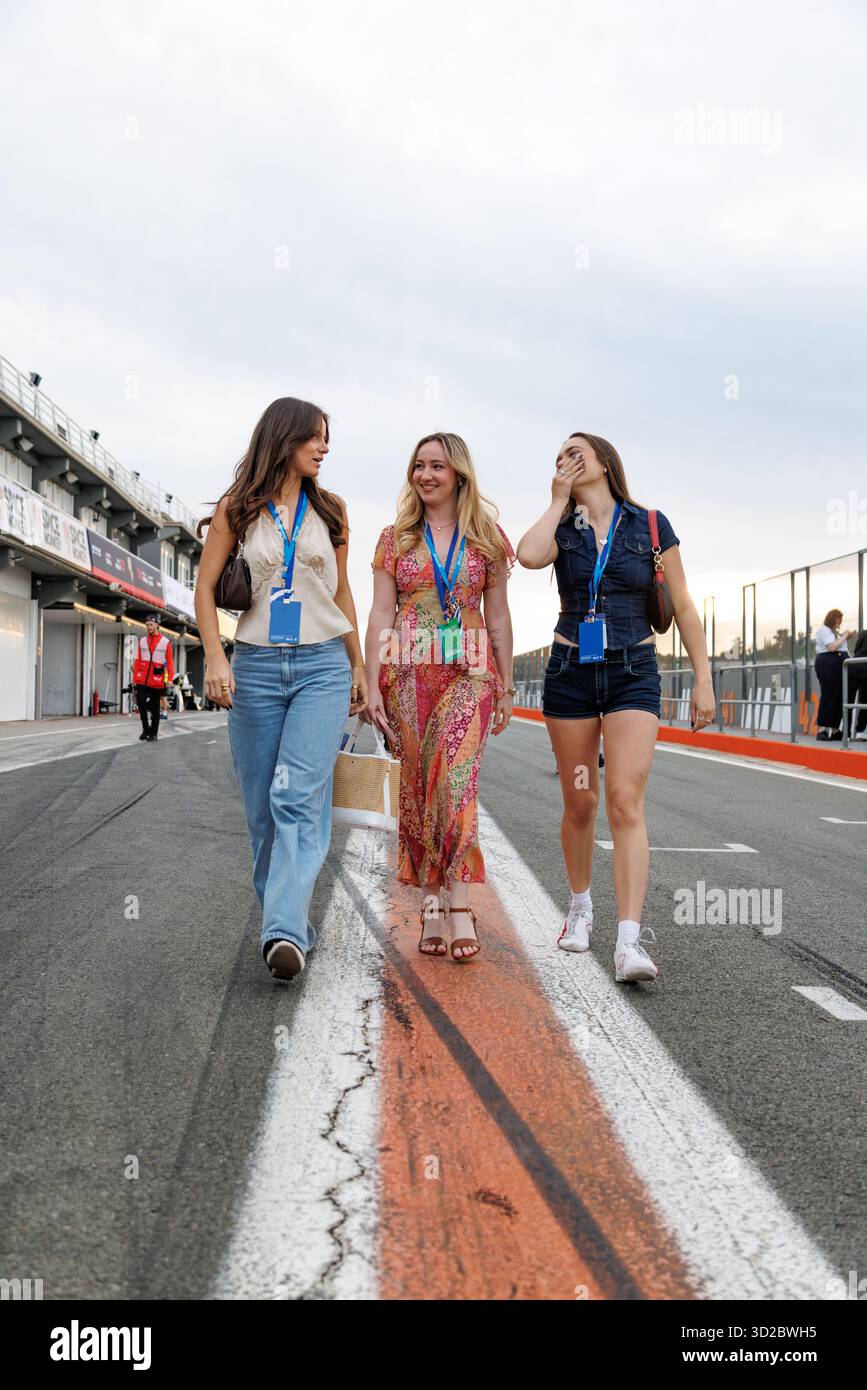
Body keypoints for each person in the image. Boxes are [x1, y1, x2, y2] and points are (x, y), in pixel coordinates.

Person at [516, 432, 714, 984]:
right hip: (571, 673)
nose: (567, 459)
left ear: (604, 461)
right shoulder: (561, 526)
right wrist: (558, 498)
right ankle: (580, 908)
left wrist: (703, 680)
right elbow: (527, 556)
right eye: (559, 455)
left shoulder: (650, 524)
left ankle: (629, 941)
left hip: (633, 671)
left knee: (625, 800)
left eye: (576, 451)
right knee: (581, 800)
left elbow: (683, 604)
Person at [194, 397, 367, 980]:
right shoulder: (238, 508)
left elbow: (342, 593)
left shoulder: (333, 512)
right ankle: (290, 924)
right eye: (314, 437)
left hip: (322, 667)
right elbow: (204, 589)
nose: (324, 448)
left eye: (326, 438)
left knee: (295, 798)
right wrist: (215, 658)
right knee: (262, 811)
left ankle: (283, 932)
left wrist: (359, 666)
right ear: (284, 439)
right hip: (256, 667)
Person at [364, 432, 515, 962]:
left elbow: (498, 614)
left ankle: (460, 905)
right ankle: (430, 905)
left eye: (437, 467)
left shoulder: (487, 540)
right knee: (418, 790)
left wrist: (505, 681)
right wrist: (371, 682)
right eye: (419, 466)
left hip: (470, 671)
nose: (425, 476)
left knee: (455, 780)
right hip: (407, 671)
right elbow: (380, 612)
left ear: (459, 475)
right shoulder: (395, 539)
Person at [132, 613, 174, 741]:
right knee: (140, 701)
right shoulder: (142, 641)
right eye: (147, 625)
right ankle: (146, 728)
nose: (149, 627)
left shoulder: (165, 642)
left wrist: (170, 679)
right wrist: (135, 677)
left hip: (157, 679)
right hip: (143, 678)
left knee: (155, 706)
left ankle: (154, 733)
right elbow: (138, 660)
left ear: (157, 625)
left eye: (151, 625)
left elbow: (170, 662)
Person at [814, 609, 853, 741]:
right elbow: (832, 647)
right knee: (829, 694)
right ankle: (823, 729)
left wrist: (844, 637)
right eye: (838, 620)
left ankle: (835, 729)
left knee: (838, 696)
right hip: (828, 663)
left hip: (837, 664)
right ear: (832, 618)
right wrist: (844, 636)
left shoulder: (833, 632)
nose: (840, 623)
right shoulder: (824, 630)